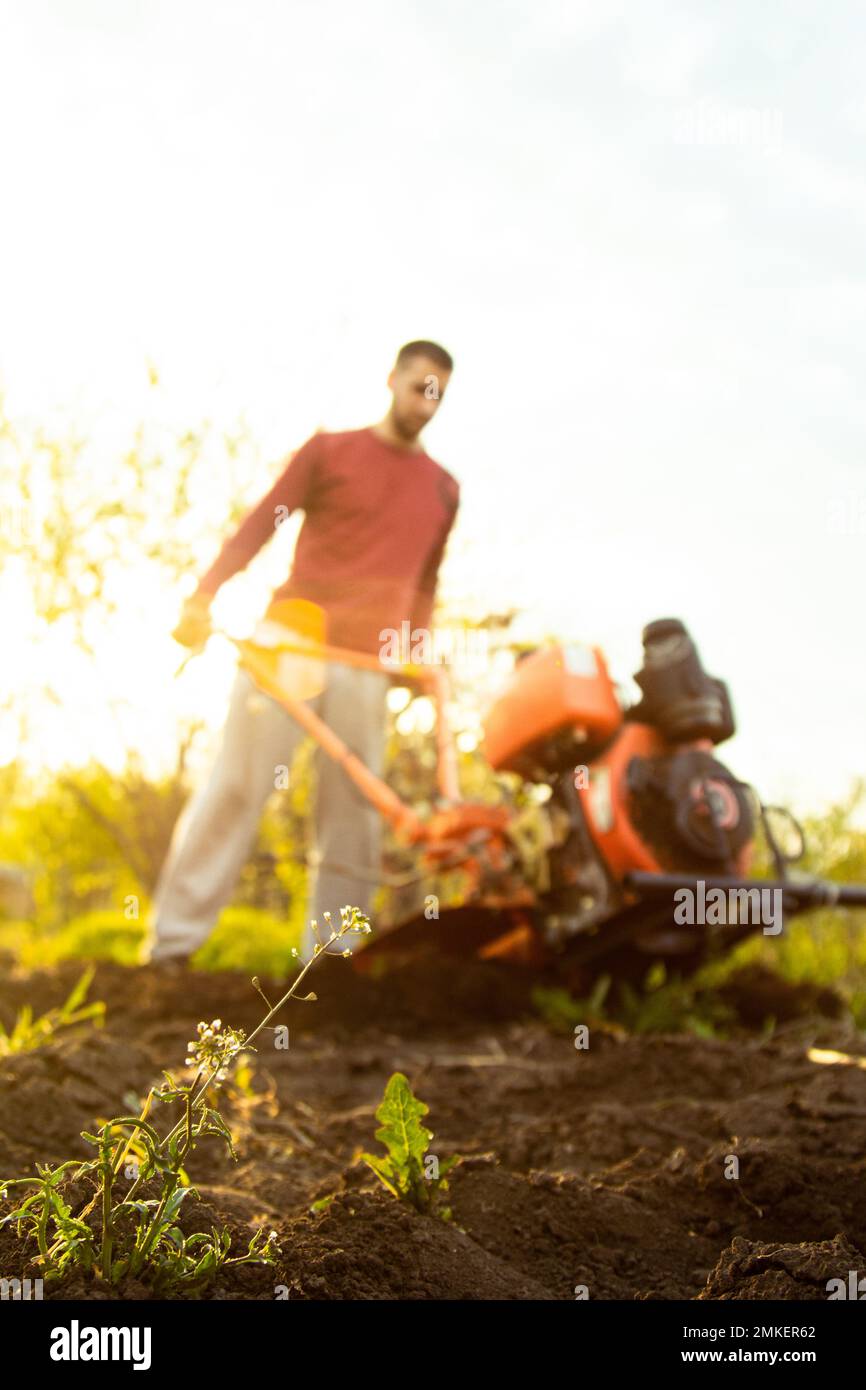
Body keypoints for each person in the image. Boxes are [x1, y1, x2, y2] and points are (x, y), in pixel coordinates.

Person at [146, 340, 459, 965]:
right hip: (289, 646)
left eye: (438, 394)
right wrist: (203, 595)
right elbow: (262, 523)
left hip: (369, 666)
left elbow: (424, 585)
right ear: (391, 377)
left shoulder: (442, 489)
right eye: (418, 386)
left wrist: (413, 655)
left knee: (354, 816)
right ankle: (171, 948)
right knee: (236, 787)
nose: (426, 403)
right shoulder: (331, 451)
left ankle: (333, 958)